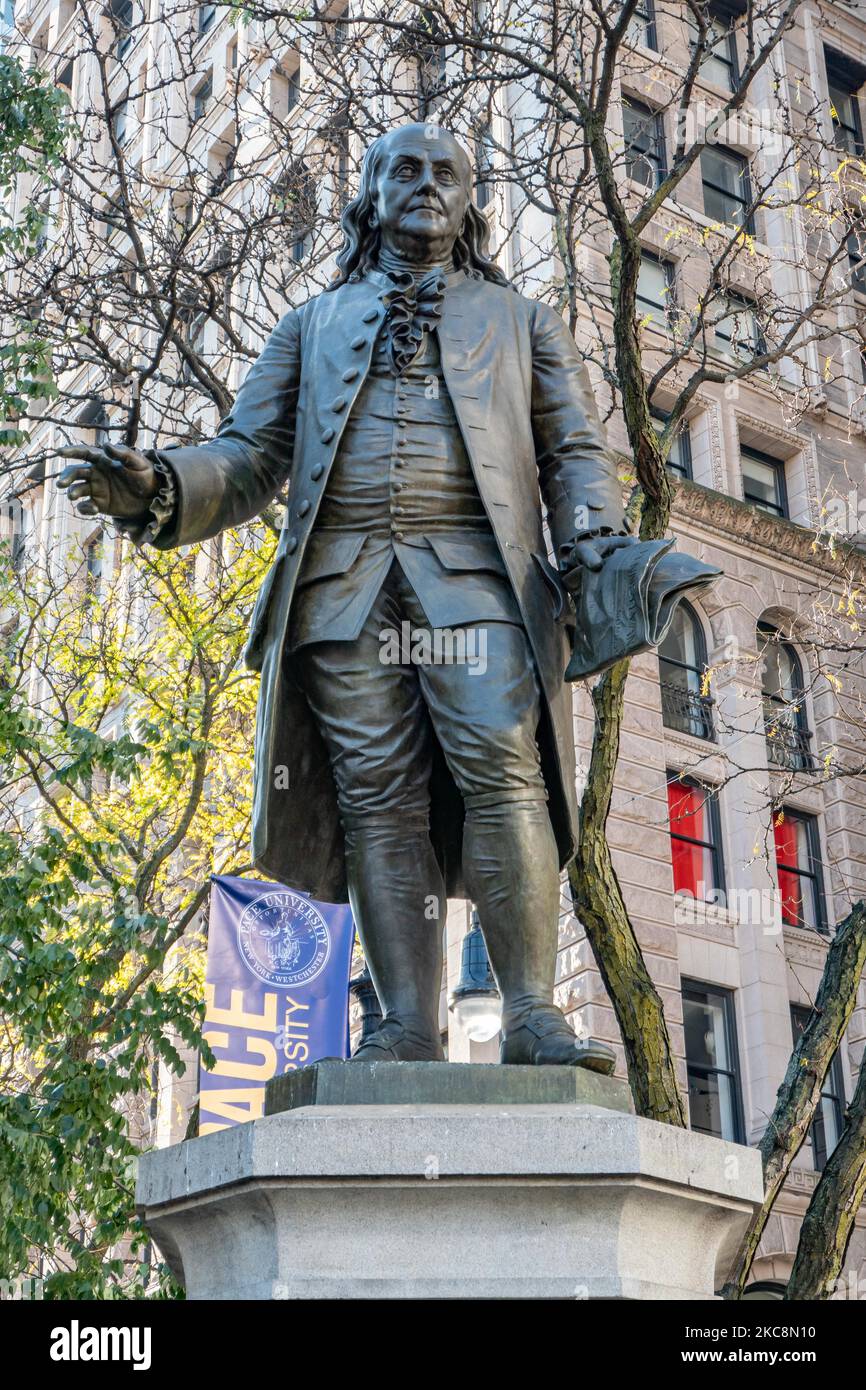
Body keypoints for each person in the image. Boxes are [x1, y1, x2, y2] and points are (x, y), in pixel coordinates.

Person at [58, 124, 636, 1070]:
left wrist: (597, 549)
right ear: (368, 194)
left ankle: (532, 1013)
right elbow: (248, 457)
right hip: (341, 593)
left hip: (480, 582)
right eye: (404, 169)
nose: (426, 185)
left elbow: (574, 453)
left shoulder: (523, 321)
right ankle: (408, 1024)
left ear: (470, 202)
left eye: (446, 173)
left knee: (502, 768)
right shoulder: (312, 324)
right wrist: (159, 484)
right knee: (379, 802)